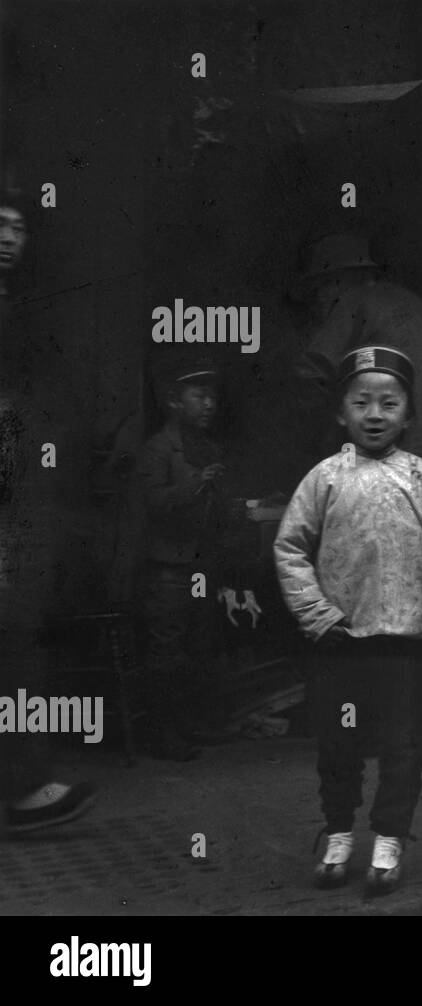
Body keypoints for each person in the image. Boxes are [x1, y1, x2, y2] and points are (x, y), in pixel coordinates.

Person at [275, 345, 422, 895]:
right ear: (341, 412)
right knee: (340, 743)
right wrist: (317, 614)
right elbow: (290, 548)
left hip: (403, 647)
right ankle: (337, 832)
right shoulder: (324, 480)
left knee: (403, 747)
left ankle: (390, 838)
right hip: (340, 644)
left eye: (389, 403)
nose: (375, 414)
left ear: (409, 414)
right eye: (362, 402)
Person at [1, 189, 97, 833]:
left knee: (15, 640)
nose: (9, 235)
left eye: (18, 226)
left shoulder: (20, 313)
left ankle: (27, 783)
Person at [136, 358, 255, 760]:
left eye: (212, 397)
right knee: (166, 653)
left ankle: (189, 727)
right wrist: (196, 483)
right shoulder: (157, 449)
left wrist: (242, 507)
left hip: (202, 565)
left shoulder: (208, 448)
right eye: (199, 396)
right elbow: (152, 503)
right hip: (168, 567)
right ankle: (162, 736)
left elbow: (216, 509)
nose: (209, 404)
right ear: (173, 401)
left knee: (197, 649)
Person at [293, 230, 422, 462]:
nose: (319, 300)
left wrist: (321, 448)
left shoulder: (353, 302)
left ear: (338, 281)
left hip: (398, 457)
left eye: (321, 289)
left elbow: (313, 373)